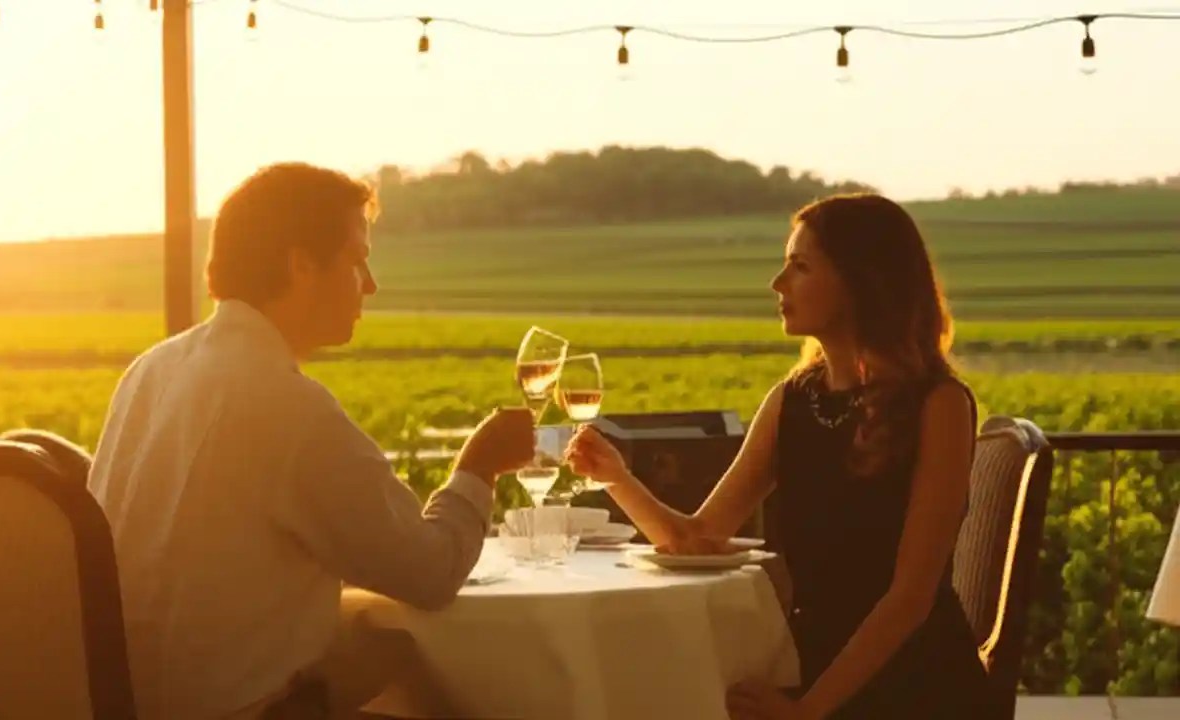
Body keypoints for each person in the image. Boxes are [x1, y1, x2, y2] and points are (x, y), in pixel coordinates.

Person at [87, 163, 535, 720]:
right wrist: (479, 466)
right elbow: (428, 573)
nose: (370, 284)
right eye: (356, 259)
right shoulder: (284, 404)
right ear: (301, 265)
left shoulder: (150, 371)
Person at [566, 194, 995, 719]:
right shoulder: (792, 400)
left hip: (914, 687)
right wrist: (615, 477)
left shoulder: (940, 405)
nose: (777, 283)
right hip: (809, 666)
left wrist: (810, 710)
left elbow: (910, 599)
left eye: (800, 266)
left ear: (860, 281)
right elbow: (695, 539)